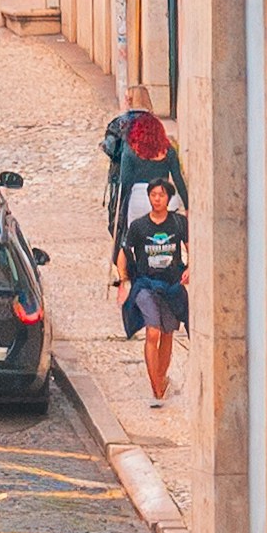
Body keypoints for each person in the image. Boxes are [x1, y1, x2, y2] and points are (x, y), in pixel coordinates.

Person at [116, 176, 192, 406]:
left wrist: (190, 268)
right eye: (153, 195)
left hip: (171, 286)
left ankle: (161, 377)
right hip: (146, 285)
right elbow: (124, 253)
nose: (157, 199)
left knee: (168, 333)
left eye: (161, 195)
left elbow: (191, 247)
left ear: (168, 198)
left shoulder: (178, 224)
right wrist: (123, 280)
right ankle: (156, 386)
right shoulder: (138, 226)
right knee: (153, 332)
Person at [102, 86, 186, 249]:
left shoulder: (121, 125)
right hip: (164, 196)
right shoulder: (159, 131)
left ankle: (125, 271)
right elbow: (178, 178)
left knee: (128, 242)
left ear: (130, 101)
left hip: (137, 196)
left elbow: (123, 176)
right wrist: (188, 207)